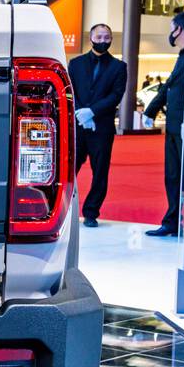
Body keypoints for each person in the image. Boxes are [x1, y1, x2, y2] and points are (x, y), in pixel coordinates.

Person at [67, 23, 127, 227]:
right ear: (91, 38)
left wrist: (92, 112)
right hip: (76, 126)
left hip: (102, 128)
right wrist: (81, 114)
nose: (103, 41)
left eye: (107, 37)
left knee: (100, 170)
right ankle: (65, 207)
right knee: (69, 168)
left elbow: (116, 95)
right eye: (99, 37)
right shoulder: (75, 64)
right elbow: (70, 91)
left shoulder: (119, 67)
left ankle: (91, 212)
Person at [142, 11, 184, 237]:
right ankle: (172, 221)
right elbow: (169, 87)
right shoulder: (183, 55)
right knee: (172, 176)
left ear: (179, 30)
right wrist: (150, 110)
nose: (170, 34)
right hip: (174, 127)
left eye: (172, 28)